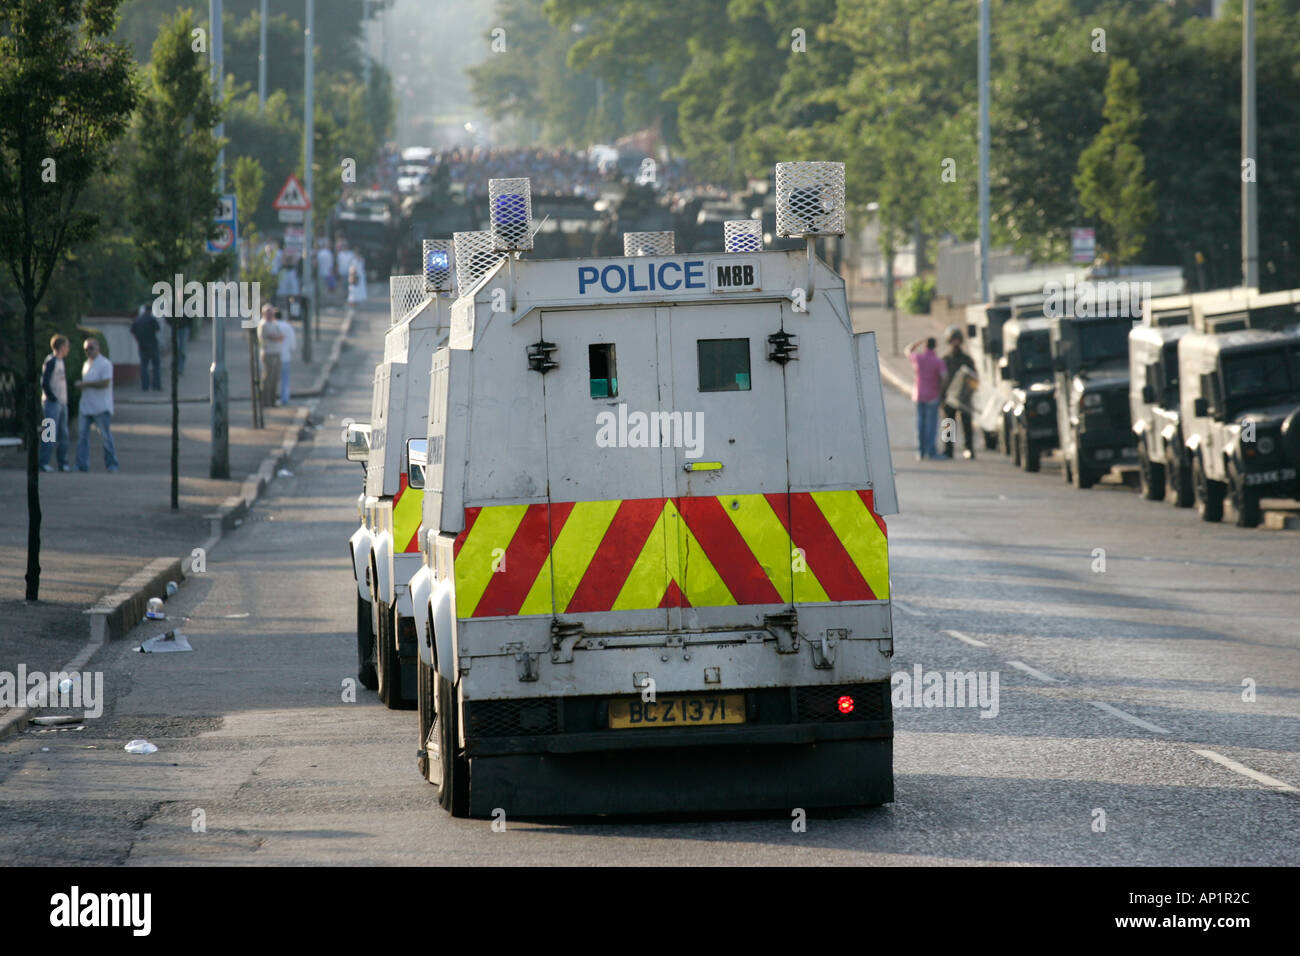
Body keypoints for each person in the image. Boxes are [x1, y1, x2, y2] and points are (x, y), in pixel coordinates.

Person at [75, 338, 118, 472]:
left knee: (106, 437)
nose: (88, 351)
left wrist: (85, 384)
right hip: (86, 406)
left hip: (101, 407)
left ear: (98, 348)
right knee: (82, 437)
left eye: (91, 348)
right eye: (86, 349)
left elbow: (105, 383)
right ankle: (81, 464)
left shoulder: (105, 364)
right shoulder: (86, 364)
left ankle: (111, 464)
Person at [906, 336, 946, 460]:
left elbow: (908, 350)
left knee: (920, 423)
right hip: (933, 395)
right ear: (935, 346)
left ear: (925, 346)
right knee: (931, 425)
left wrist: (919, 341)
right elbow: (944, 376)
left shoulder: (918, 358)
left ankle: (921, 451)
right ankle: (931, 451)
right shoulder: (938, 361)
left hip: (919, 394)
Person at [940, 326, 977, 460]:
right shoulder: (945, 359)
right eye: (952, 340)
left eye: (957, 340)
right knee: (948, 423)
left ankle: (969, 448)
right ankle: (948, 449)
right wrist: (942, 395)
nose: (955, 342)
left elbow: (973, 377)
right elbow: (941, 378)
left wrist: (970, 391)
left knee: (967, 423)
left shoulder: (966, 359)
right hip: (949, 396)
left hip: (963, 396)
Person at [38, 334, 71, 472]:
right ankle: (44, 462)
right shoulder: (51, 361)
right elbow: (44, 382)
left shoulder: (61, 361)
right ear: (61, 346)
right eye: (66, 346)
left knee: (64, 434)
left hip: (62, 403)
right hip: (52, 403)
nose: (68, 349)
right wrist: (52, 397)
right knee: (49, 433)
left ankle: (63, 463)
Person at [257, 304, 284, 408]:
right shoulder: (263, 324)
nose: (270, 314)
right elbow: (273, 337)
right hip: (268, 353)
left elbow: (281, 336)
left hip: (276, 353)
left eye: (271, 312)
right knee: (267, 378)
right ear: (263, 313)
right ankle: (265, 401)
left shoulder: (274, 323)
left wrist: (277, 337)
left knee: (275, 378)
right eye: (268, 312)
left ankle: (272, 401)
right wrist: (277, 337)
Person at [131, 303, 161, 391]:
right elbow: (157, 329)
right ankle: (156, 385)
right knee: (156, 365)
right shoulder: (152, 319)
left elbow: (133, 331)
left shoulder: (138, 320)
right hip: (153, 345)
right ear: (150, 311)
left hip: (142, 345)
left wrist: (138, 339)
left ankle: (145, 385)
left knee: (144, 366)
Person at [276, 308, 296, 406]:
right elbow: (293, 344)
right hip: (285, 356)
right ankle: (284, 399)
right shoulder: (287, 326)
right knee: (285, 379)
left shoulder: (271, 326)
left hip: (272, 356)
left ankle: (272, 398)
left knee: (273, 379)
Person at [167, 312, 189, 377]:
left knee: (182, 350)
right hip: (175, 328)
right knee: (176, 349)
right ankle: (175, 366)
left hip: (184, 328)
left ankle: (180, 368)